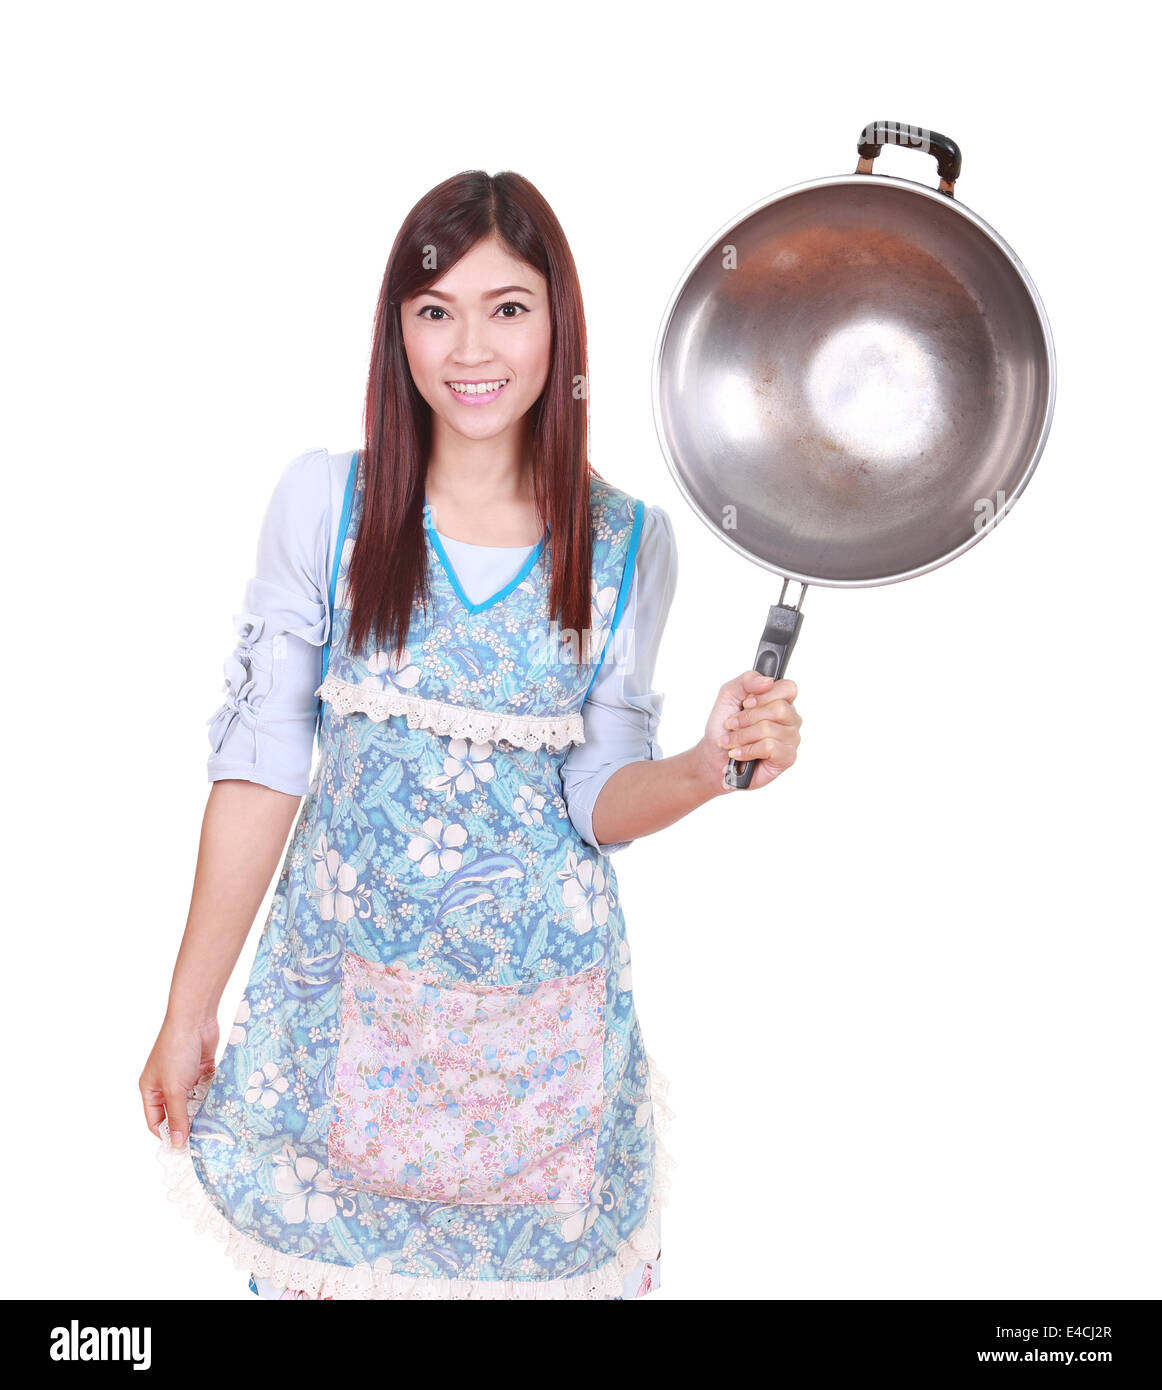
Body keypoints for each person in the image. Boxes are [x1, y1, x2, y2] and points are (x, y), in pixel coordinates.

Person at [139, 170, 802, 1300]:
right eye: (434, 309)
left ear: (560, 323)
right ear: (396, 331)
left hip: (540, 1047)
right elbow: (259, 766)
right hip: (332, 1010)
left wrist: (702, 766)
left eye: (507, 306)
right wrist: (187, 1006)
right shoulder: (326, 507)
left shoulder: (627, 542)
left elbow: (597, 796)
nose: (468, 346)